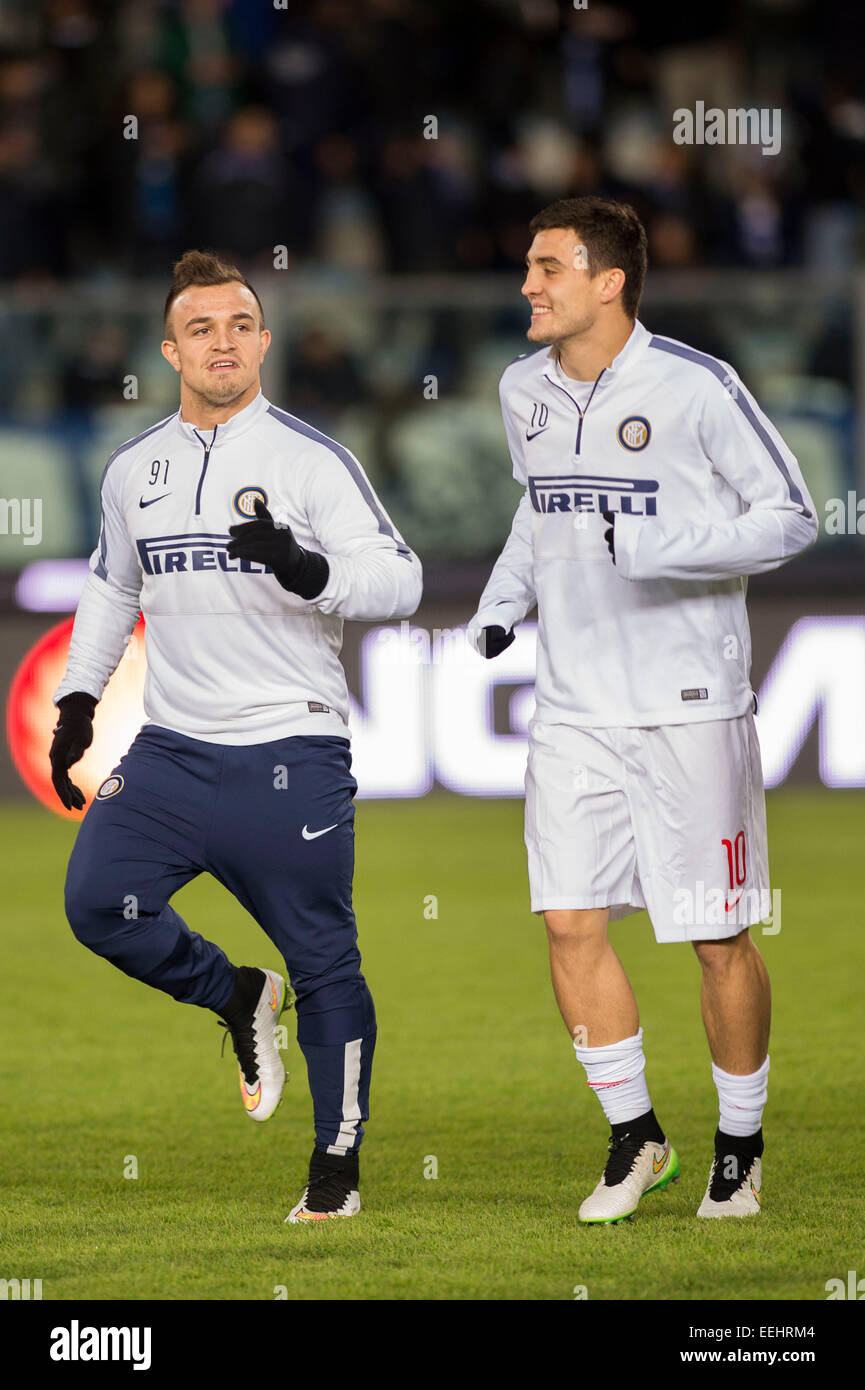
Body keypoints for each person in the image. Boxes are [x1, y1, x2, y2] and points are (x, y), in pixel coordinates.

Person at [49, 250, 421, 1223]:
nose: (223, 341)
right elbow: (111, 586)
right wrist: (79, 704)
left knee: (327, 963)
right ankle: (234, 996)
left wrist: (308, 570)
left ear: (264, 339)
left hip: (289, 754)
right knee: (96, 904)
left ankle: (334, 1172)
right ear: (170, 347)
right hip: (170, 752)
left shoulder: (310, 459)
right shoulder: (135, 468)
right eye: (201, 328)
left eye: (240, 324)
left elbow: (401, 579)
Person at [468, 196, 817, 1223]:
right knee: (569, 921)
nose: (527, 286)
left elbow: (790, 517)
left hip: (688, 702)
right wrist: (499, 606)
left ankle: (739, 1147)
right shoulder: (518, 388)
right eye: (527, 269)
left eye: (546, 268)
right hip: (572, 706)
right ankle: (636, 1139)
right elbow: (540, 508)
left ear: (607, 280)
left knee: (717, 940)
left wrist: (658, 546)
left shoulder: (698, 387)